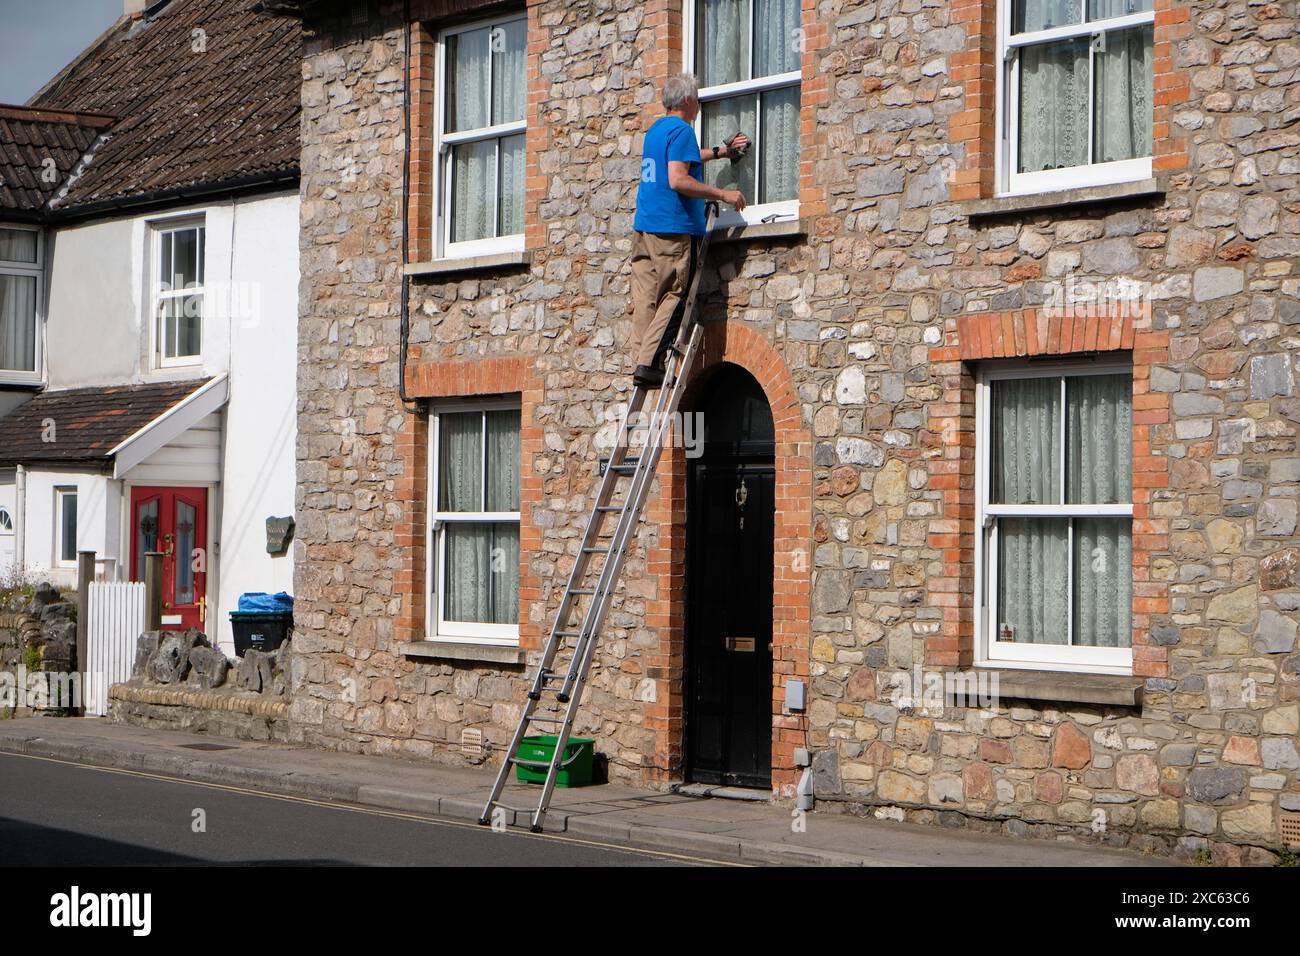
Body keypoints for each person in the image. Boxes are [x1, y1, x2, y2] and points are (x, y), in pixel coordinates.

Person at [629, 73, 748, 388]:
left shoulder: (657, 130)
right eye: (696, 97)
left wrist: (721, 153)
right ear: (685, 101)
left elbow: (684, 159)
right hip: (672, 230)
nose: (698, 103)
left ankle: (641, 360)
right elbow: (678, 179)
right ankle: (650, 363)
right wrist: (723, 195)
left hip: (645, 229)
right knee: (675, 294)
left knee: (647, 299)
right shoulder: (682, 130)